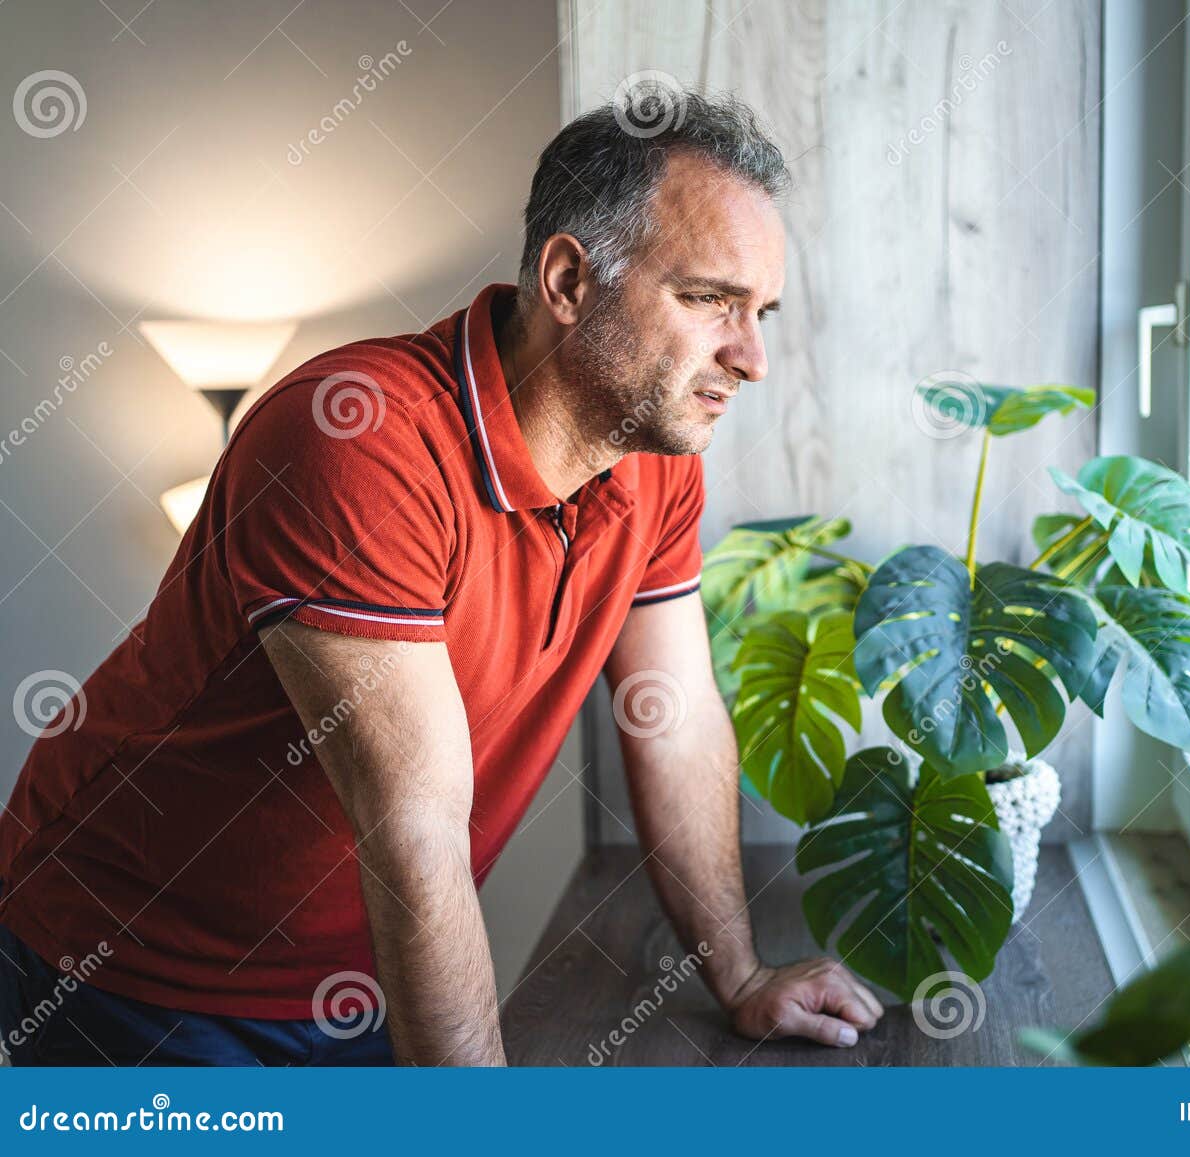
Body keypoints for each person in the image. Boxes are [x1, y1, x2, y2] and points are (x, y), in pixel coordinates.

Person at [0, 86, 882, 1066]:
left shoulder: (655, 458)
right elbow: (416, 834)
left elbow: (672, 717)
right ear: (566, 280)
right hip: (119, 972)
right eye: (708, 299)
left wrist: (744, 977)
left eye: (759, 311)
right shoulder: (360, 439)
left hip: (348, 978)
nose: (751, 356)